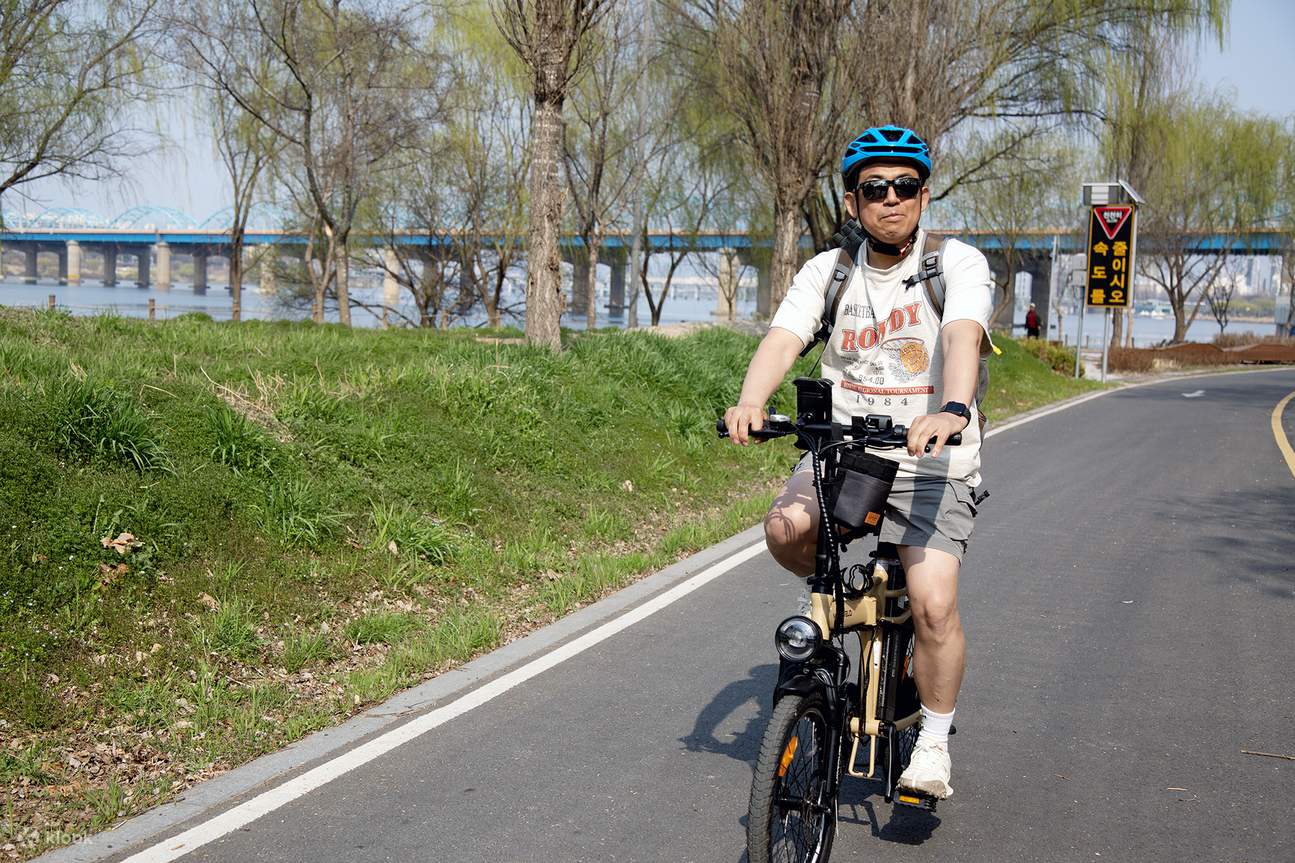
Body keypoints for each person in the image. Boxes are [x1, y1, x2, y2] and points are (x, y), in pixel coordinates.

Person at [723, 125, 993, 800]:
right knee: (785, 529)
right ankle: (833, 603)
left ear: (923, 196)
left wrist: (951, 409)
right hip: (845, 453)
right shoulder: (829, 271)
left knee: (933, 606)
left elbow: (962, 336)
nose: (890, 198)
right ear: (853, 203)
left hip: (932, 459)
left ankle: (932, 743)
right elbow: (783, 339)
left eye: (904, 186)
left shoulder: (954, 265)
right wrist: (751, 401)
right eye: (874, 188)